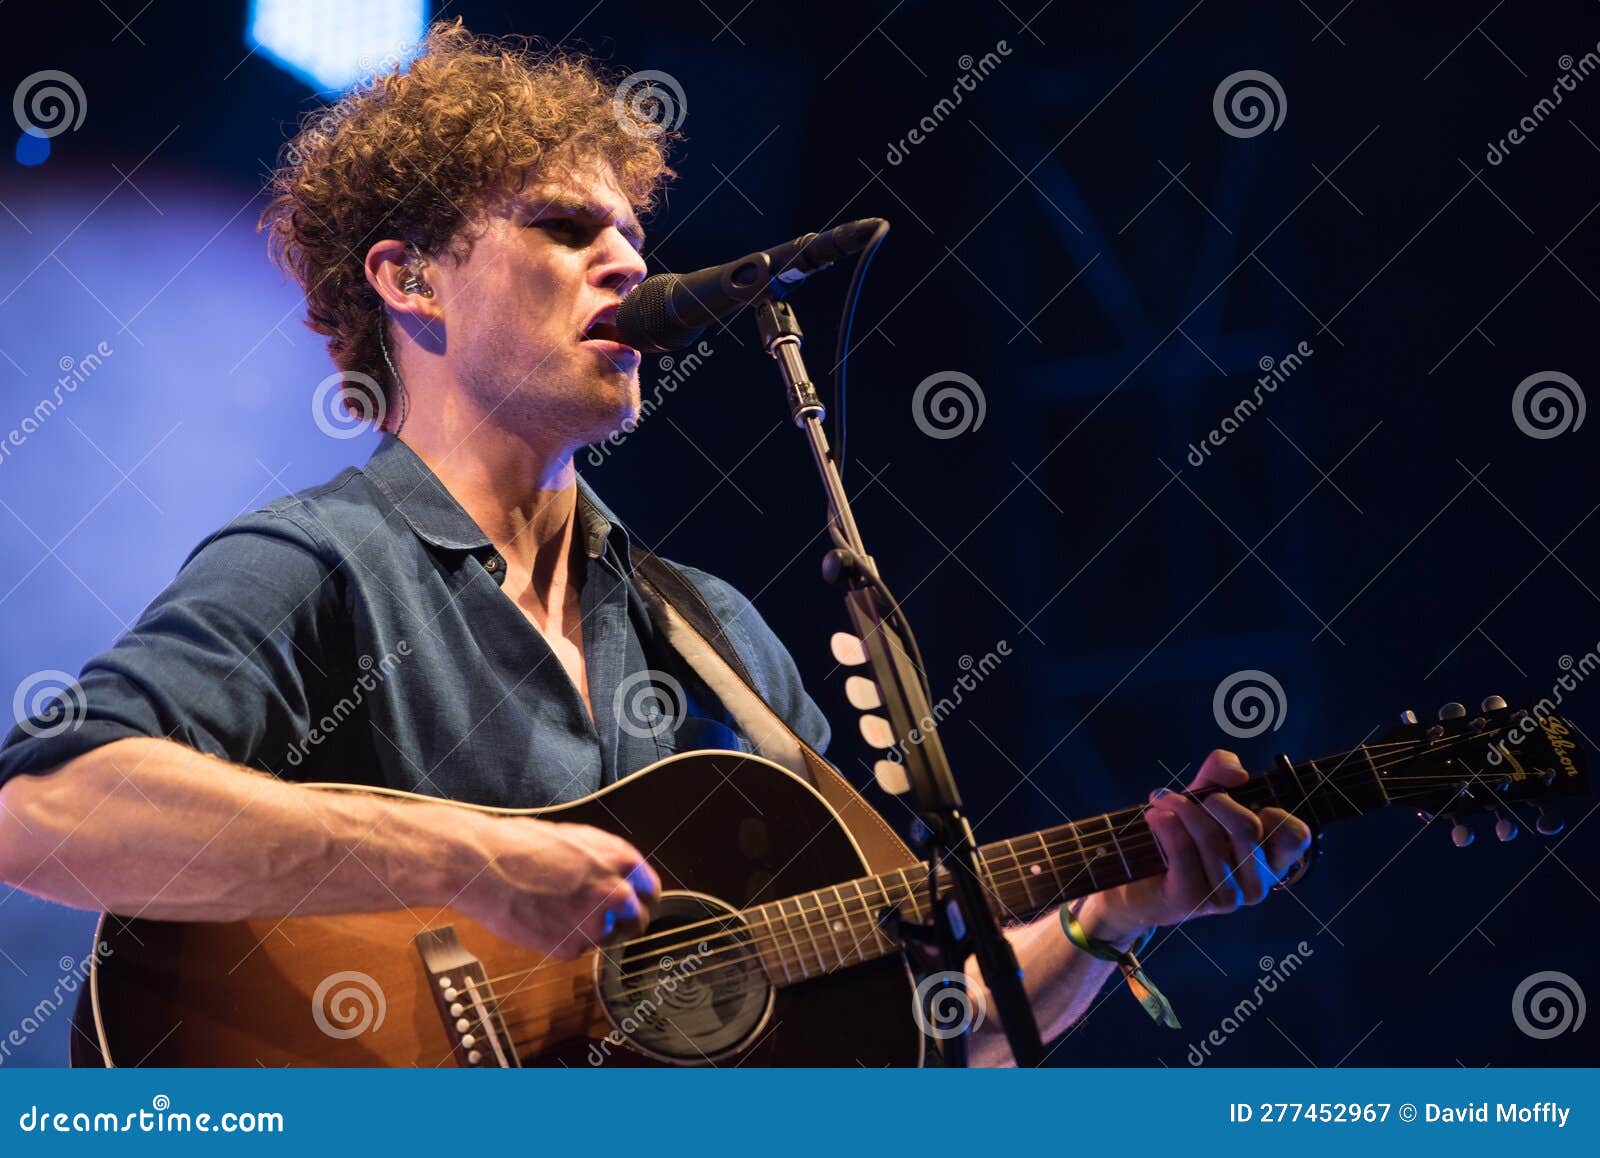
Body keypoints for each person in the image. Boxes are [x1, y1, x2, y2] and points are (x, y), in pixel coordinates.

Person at [0, 21, 1310, 1067]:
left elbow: (923, 1030)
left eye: (633, 233)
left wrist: (1108, 913)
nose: (627, 262)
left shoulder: (716, 635)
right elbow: (42, 810)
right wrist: (468, 859)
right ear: (410, 279)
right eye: (566, 228)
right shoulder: (319, 563)